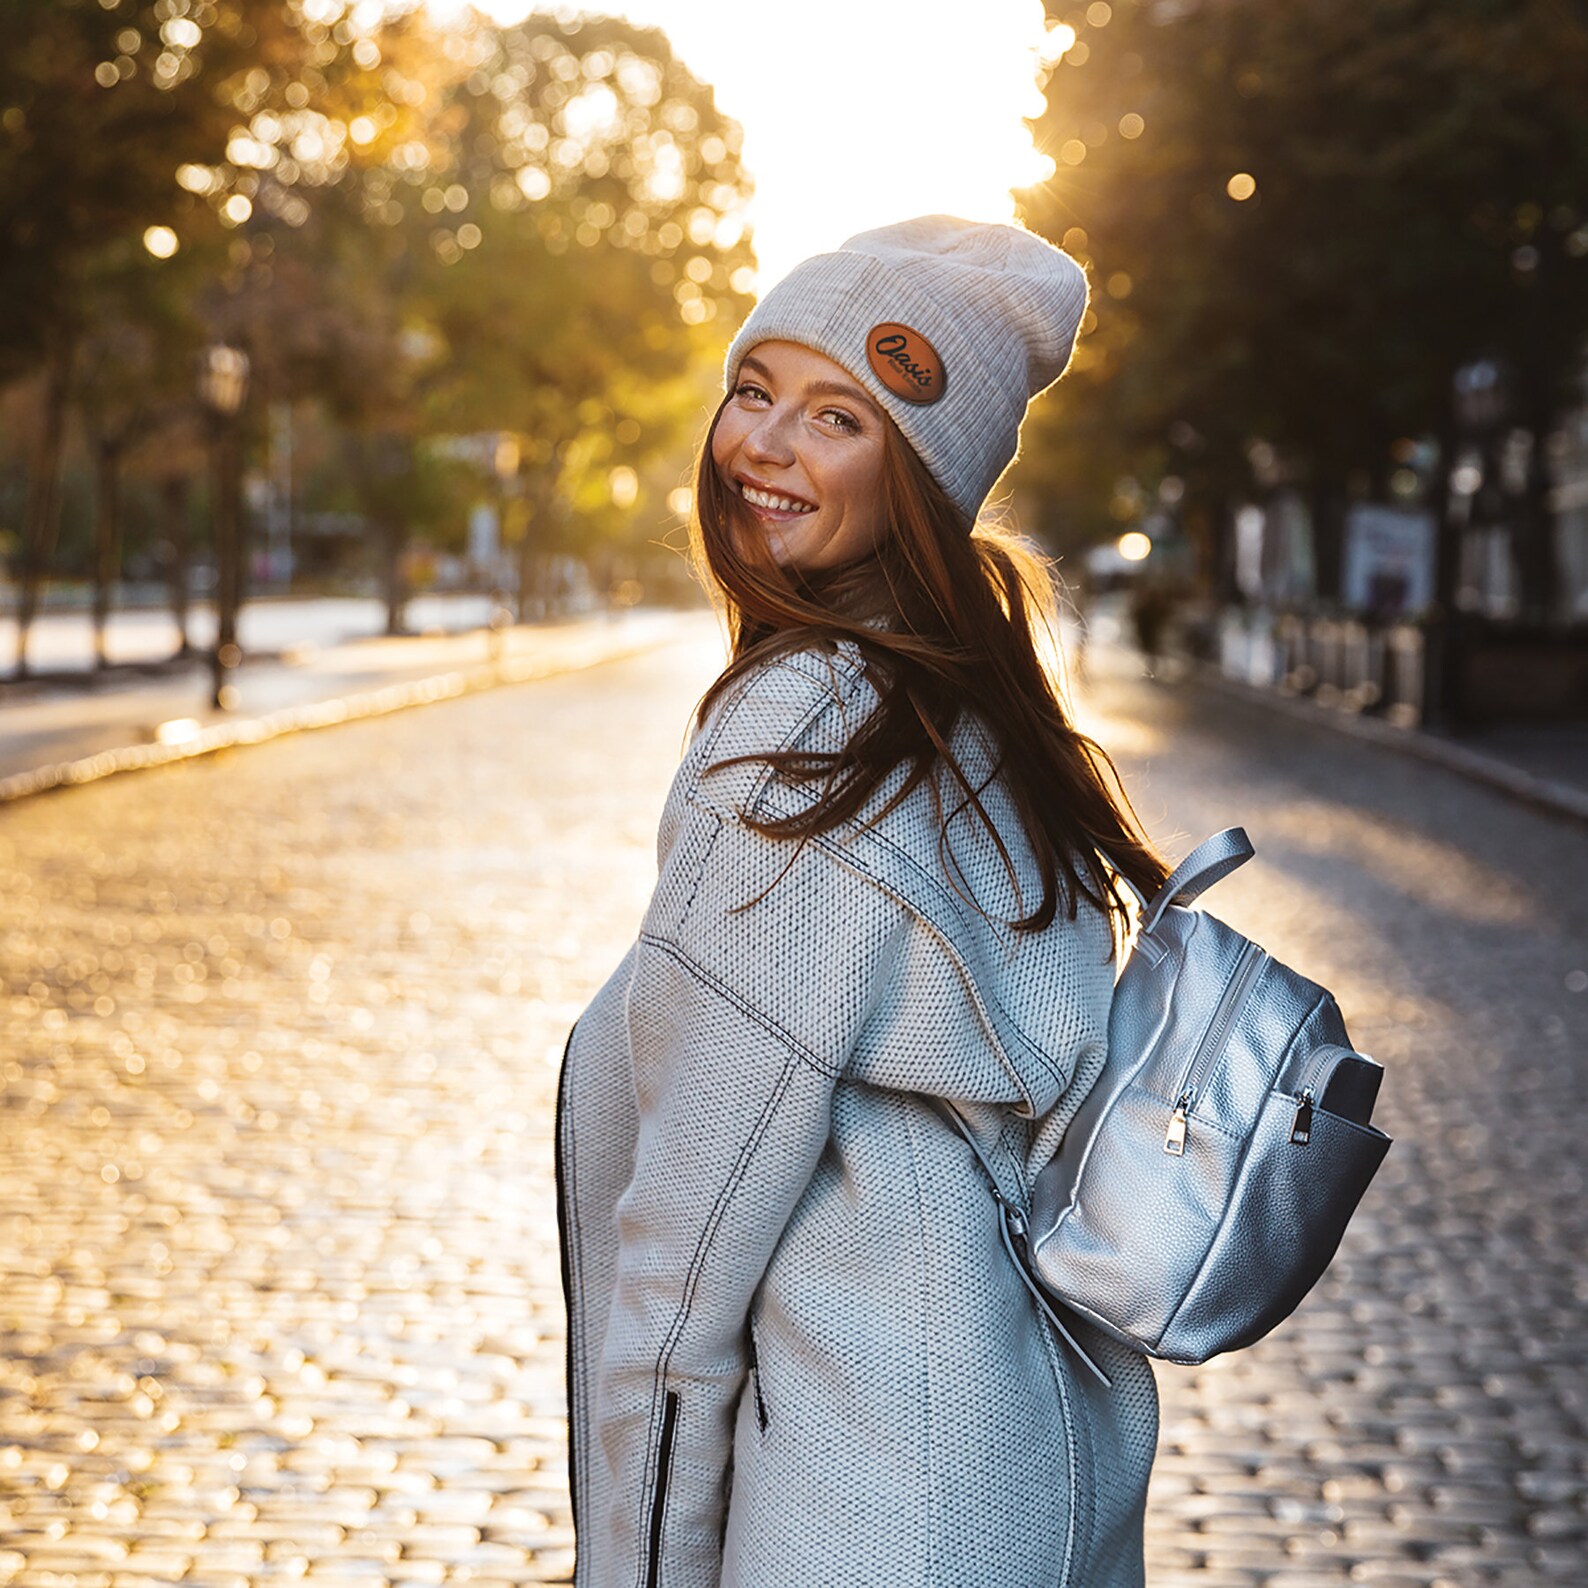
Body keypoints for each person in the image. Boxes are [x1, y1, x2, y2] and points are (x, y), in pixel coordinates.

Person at [556, 215, 1171, 1588]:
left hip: (856, 1510)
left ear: (918, 474)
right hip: (1029, 1482)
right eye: (754, 388)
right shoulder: (982, 716)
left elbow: (682, 1277)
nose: (760, 444)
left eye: (837, 416)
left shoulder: (796, 740)